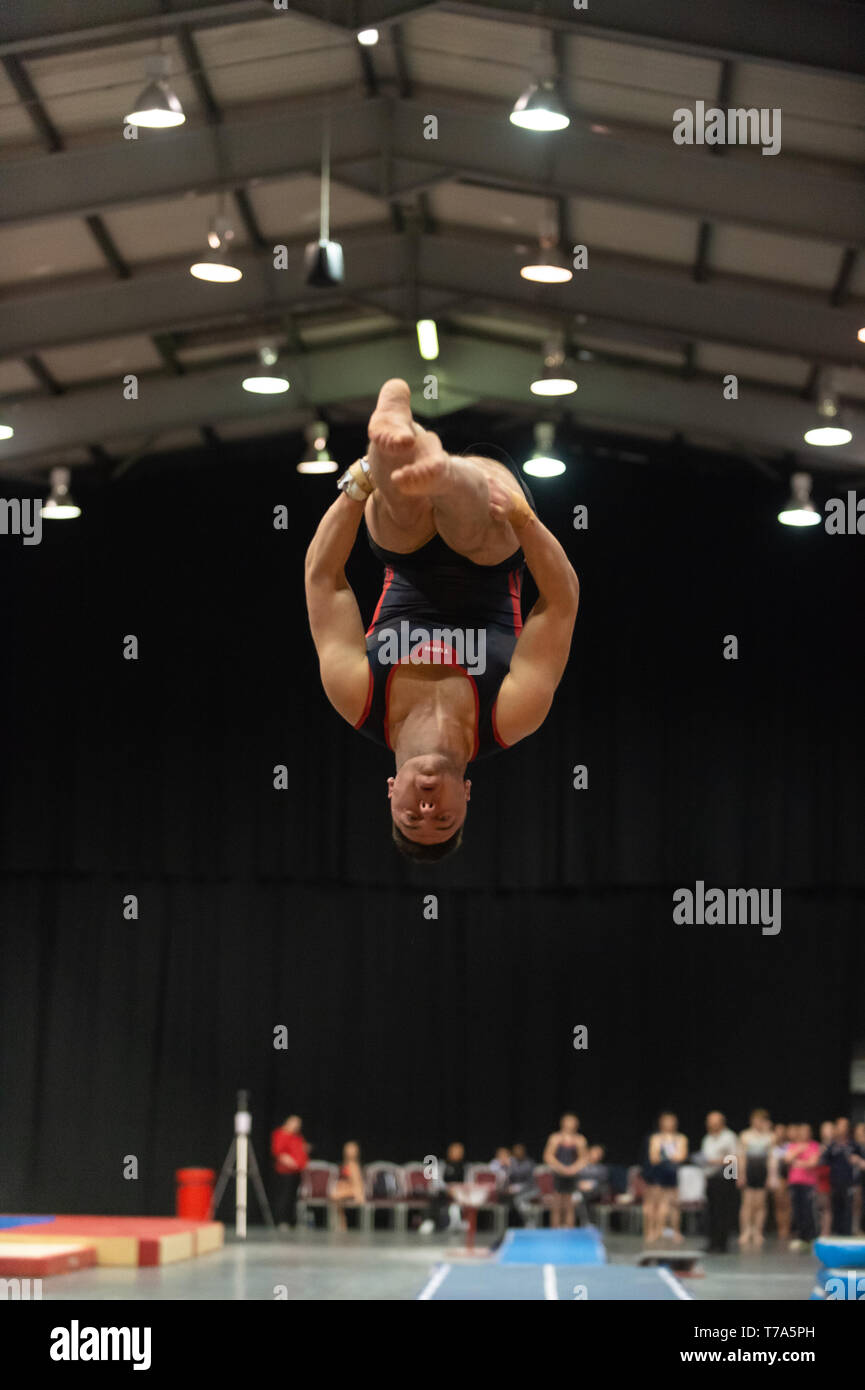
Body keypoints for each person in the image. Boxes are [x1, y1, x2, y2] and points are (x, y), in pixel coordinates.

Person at [305, 379, 580, 861]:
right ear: (468, 798)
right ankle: (438, 470)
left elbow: (324, 581)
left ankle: (399, 446)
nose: (427, 805)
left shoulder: (357, 697)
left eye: (412, 815)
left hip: (403, 555)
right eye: (442, 818)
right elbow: (560, 603)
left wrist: (355, 487)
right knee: (471, 522)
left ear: (391, 791)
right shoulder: (511, 716)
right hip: (498, 543)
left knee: (397, 507)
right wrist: (525, 521)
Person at [644, 1113, 688, 1246]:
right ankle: (654, 1230)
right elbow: (654, 1157)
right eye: (666, 1121)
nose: (669, 1124)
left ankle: (675, 1231)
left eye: (671, 1121)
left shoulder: (681, 1138)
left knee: (674, 1204)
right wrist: (670, 1155)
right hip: (658, 1173)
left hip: (673, 1173)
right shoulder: (656, 1138)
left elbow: (682, 1156)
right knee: (656, 1203)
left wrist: (666, 1156)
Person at [699, 1110, 739, 1253]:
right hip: (710, 1178)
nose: (711, 1125)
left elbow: (734, 1158)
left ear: (721, 1123)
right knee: (711, 1212)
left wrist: (714, 1161)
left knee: (723, 1211)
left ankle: (722, 1244)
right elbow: (704, 1158)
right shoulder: (707, 1138)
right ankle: (712, 1242)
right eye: (709, 1122)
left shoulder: (729, 1137)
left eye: (714, 1122)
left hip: (725, 1177)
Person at [736, 1109, 774, 1248]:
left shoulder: (770, 1136)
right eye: (756, 1119)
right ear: (752, 1120)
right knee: (747, 1204)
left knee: (760, 1204)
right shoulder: (745, 1135)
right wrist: (740, 1175)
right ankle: (746, 1231)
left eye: (761, 1120)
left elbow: (771, 1158)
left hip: (762, 1171)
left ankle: (758, 1231)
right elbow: (741, 1157)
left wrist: (771, 1176)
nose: (758, 1122)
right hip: (749, 1170)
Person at [543, 1113, 587, 1228]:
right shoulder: (555, 1138)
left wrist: (573, 1168)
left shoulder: (580, 1139)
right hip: (558, 1173)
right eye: (568, 1121)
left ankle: (569, 1231)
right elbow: (548, 1156)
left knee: (569, 1204)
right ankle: (555, 1230)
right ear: (563, 1123)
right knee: (557, 1204)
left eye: (572, 1122)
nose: (570, 1124)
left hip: (572, 1174)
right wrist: (561, 1168)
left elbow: (583, 1158)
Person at [269, 1114, 309, 1232]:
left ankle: (291, 1221)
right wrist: (293, 1163)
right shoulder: (281, 1134)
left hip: (296, 1172)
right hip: (285, 1172)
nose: (297, 1126)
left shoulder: (297, 1136)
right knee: (284, 1197)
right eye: (295, 1123)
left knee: (292, 1197)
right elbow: (279, 1153)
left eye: (298, 1124)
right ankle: (282, 1221)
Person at [419, 1141, 467, 1234]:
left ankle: (460, 1221)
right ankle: (429, 1221)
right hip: (444, 1192)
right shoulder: (441, 1165)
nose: (457, 1153)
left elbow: (468, 1182)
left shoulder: (466, 1167)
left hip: (461, 1194)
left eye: (459, 1151)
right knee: (436, 1197)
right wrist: (448, 1189)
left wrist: (458, 1190)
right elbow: (437, 1182)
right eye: (454, 1151)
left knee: (467, 1201)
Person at [785, 1124, 820, 1249]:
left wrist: (798, 1162)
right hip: (794, 1182)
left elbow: (813, 1163)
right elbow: (787, 1159)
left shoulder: (814, 1145)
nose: (804, 1134)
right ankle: (801, 1237)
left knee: (808, 1210)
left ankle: (811, 1237)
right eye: (802, 1131)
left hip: (809, 1183)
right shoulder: (793, 1145)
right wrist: (799, 1151)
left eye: (807, 1131)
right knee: (797, 1210)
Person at [329, 1141, 365, 1232]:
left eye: (352, 1150)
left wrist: (359, 1195)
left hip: (353, 1190)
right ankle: (341, 1223)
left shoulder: (354, 1166)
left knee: (335, 1195)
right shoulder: (345, 1164)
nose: (350, 1152)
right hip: (345, 1190)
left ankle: (342, 1223)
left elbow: (357, 1183)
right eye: (348, 1150)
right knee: (336, 1197)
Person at [769, 1123, 792, 1241]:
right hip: (777, 1178)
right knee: (779, 1205)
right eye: (777, 1132)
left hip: (789, 1177)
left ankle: (787, 1228)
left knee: (787, 1204)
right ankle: (780, 1228)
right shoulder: (772, 1148)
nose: (780, 1134)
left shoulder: (790, 1146)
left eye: (782, 1131)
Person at [577, 1144, 610, 1223]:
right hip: (580, 1190)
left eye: (599, 1153)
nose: (597, 1155)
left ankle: (586, 1222)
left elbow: (604, 1181)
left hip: (596, 1191)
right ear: (588, 1152)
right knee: (576, 1195)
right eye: (595, 1152)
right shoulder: (579, 1166)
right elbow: (575, 1179)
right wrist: (579, 1184)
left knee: (582, 1195)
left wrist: (592, 1184)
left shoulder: (602, 1168)